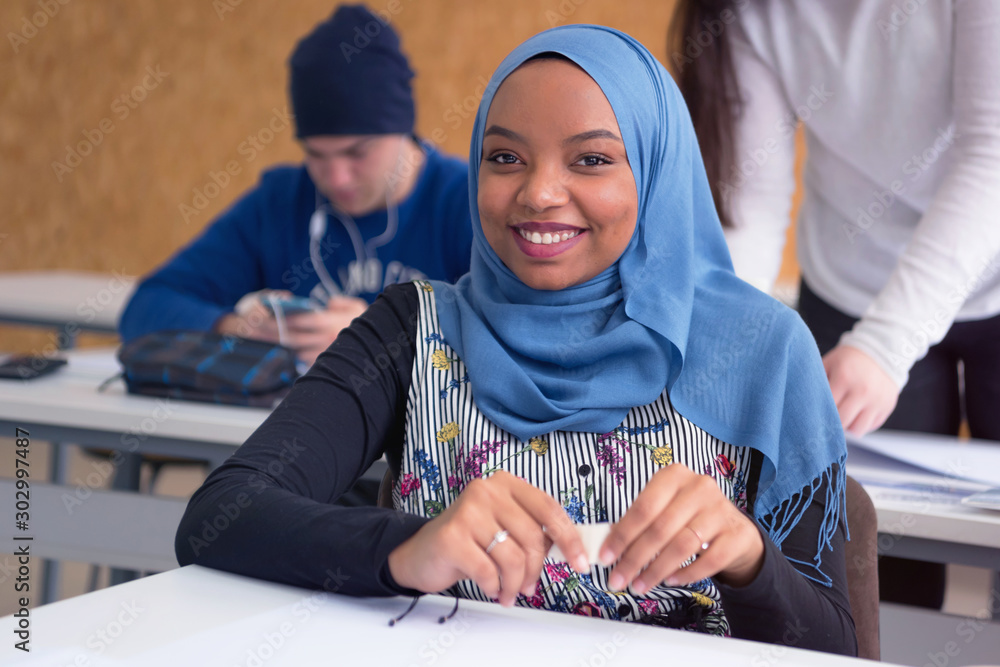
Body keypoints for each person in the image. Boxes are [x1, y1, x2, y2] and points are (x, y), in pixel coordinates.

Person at [175, 25, 856, 654]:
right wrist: (412, 547)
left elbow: (834, 648)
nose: (538, 193)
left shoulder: (761, 350)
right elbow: (222, 514)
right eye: (505, 157)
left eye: (590, 159)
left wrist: (748, 556)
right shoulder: (414, 329)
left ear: (654, 171)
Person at [670, 0, 1000, 609]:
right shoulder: (746, 13)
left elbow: (992, 155)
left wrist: (885, 344)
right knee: (878, 556)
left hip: (962, 277)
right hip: (851, 284)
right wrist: (711, 342)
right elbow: (755, 207)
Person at [118, 5, 473, 367]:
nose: (336, 178)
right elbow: (148, 306)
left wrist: (376, 339)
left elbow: (515, 339)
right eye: (316, 155)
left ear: (402, 130)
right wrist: (235, 330)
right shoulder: (279, 204)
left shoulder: (469, 204)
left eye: (357, 152)